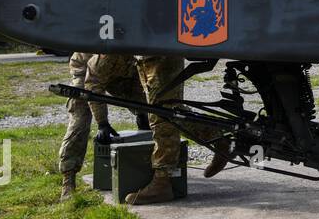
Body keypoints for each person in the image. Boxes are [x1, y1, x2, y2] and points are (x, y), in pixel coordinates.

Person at [124, 54, 232, 205]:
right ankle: (219, 138)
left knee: (162, 117)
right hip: (147, 56)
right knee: (171, 113)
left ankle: (162, 182)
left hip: (161, 54)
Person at [57, 52, 125, 200]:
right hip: (87, 64)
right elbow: (92, 84)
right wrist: (102, 123)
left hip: (122, 65)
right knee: (80, 116)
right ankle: (68, 180)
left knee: (149, 106)